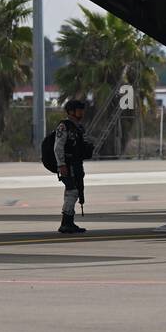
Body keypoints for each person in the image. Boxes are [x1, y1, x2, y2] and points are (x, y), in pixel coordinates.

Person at [55, 99, 94, 234]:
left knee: (75, 191)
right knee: (72, 192)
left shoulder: (79, 127)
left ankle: (69, 222)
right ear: (71, 111)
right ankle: (66, 223)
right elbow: (58, 147)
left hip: (77, 165)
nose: (82, 112)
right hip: (68, 164)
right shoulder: (64, 126)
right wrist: (61, 165)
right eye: (79, 110)